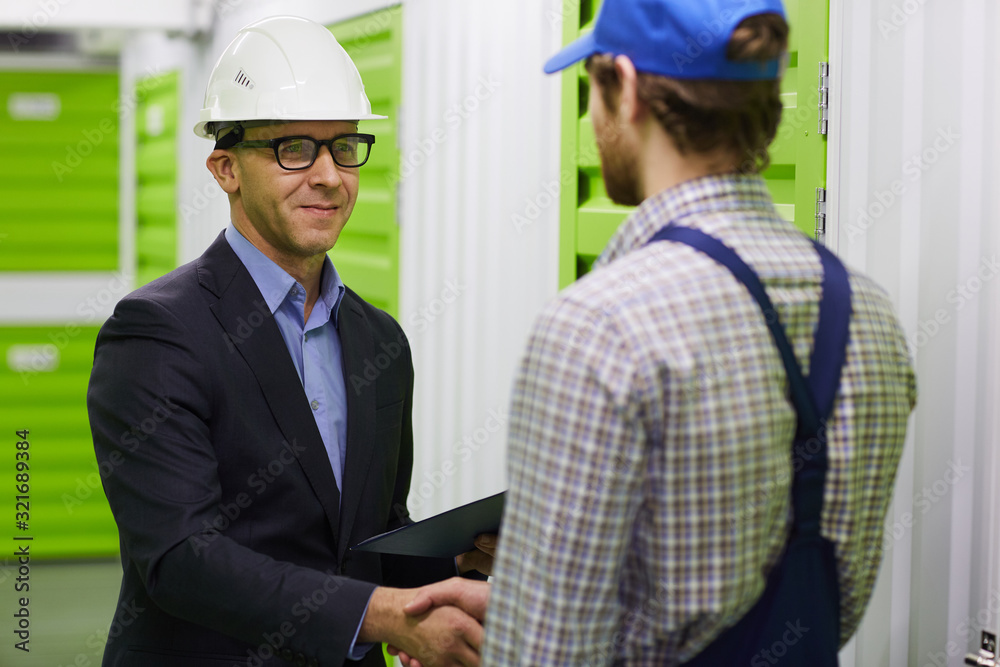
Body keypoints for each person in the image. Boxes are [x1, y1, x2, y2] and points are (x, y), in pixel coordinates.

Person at [404, 0, 916, 665]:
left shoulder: (598, 329)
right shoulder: (870, 316)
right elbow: (773, 599)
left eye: (591, 87)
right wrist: (530, 594)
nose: (591, 117)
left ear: (629, 87)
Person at [87, 16, 490, 667]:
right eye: (294, 149)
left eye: (344, 147)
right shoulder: (157, 334)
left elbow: (365, 536)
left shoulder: (378, 340)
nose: (330, 175)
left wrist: (454, 574)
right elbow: (181, 557)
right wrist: (383, 615)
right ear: (226, 169)